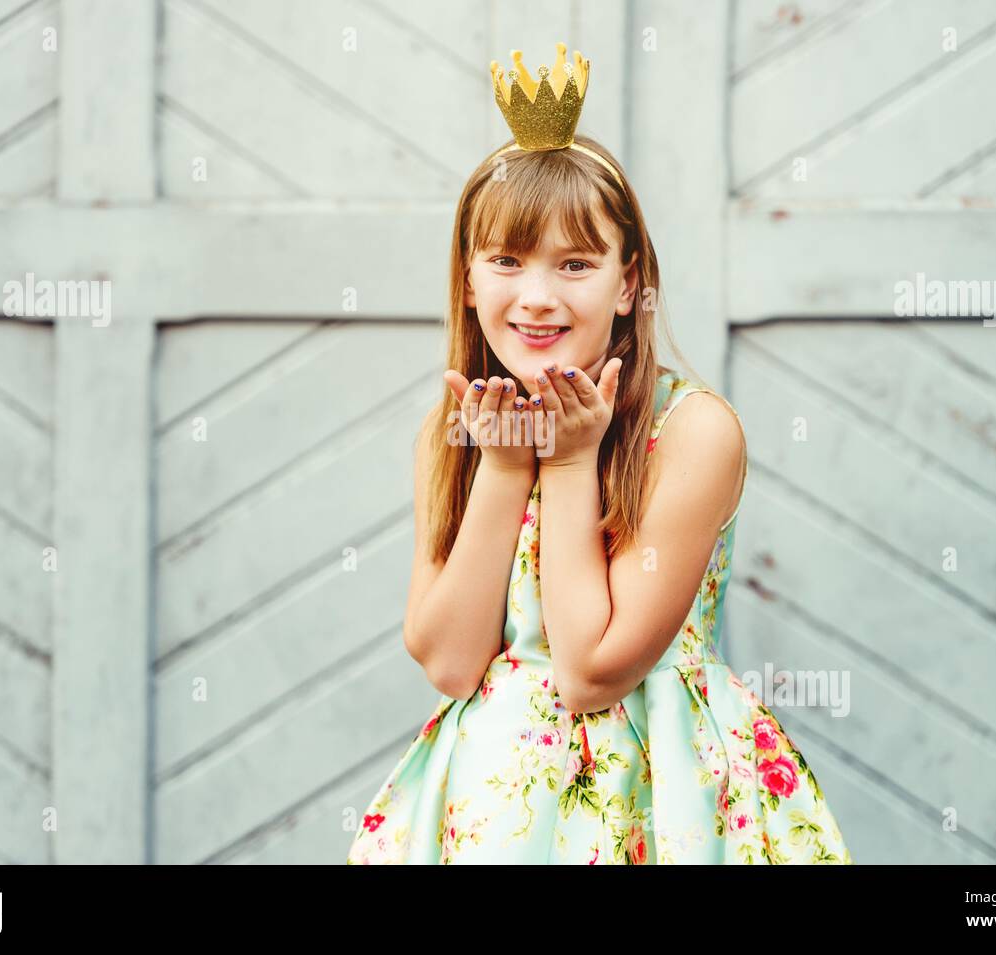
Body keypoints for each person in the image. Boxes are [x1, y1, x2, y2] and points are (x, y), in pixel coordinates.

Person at [346, 44, 851, 864]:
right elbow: (447, 659)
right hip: (499, 804)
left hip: (660, 792)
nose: (538, 295)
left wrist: (572, 462)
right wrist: (507, 465)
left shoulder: (690, 433)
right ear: (470, 282)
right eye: (507, 260)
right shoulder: (462, 432)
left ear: (627, 284)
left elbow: (590, 671)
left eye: (576, 263)